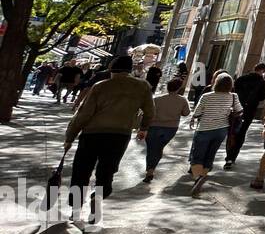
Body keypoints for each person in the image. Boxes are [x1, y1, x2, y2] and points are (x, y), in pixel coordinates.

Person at [62, 55, 154, 218]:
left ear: (111, 70)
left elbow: (83, 114)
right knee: (107, 171)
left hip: (92, 134)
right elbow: (150, 111)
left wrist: (70, 137)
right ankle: (97, 197)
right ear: (130, 70)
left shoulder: (100, 86)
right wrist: (144, 128)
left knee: (81, 171)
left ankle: (76, 210)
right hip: (120, 135)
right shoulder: (142, 86)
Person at [187, 73, 241, 196]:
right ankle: (203, 175)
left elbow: (197, 112)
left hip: (204, 128)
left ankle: (197, 179)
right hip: (221, 129)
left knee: (197, 155)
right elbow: (239, 111)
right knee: (210, 154)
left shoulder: (206, 96)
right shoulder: (233, 96)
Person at [138, 77, 191, 182]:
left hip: (154, 127)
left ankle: (150, 170)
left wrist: (142, 128)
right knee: (158, 148)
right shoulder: (182, 100)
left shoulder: (157, 99)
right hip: (171, 128)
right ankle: (151, 169)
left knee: (152, 149)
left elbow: (148, 113)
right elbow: (186, 113)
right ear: (179, 88)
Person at [226, 63, 265, 167]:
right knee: (242, 132)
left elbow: (233, 91)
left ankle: (229, 155)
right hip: (249, 111)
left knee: (232, 132)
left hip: (236, 109)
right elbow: (262, 97)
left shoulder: (241, 79)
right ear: (263, 70)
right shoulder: (262, 82)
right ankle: (233, 157)